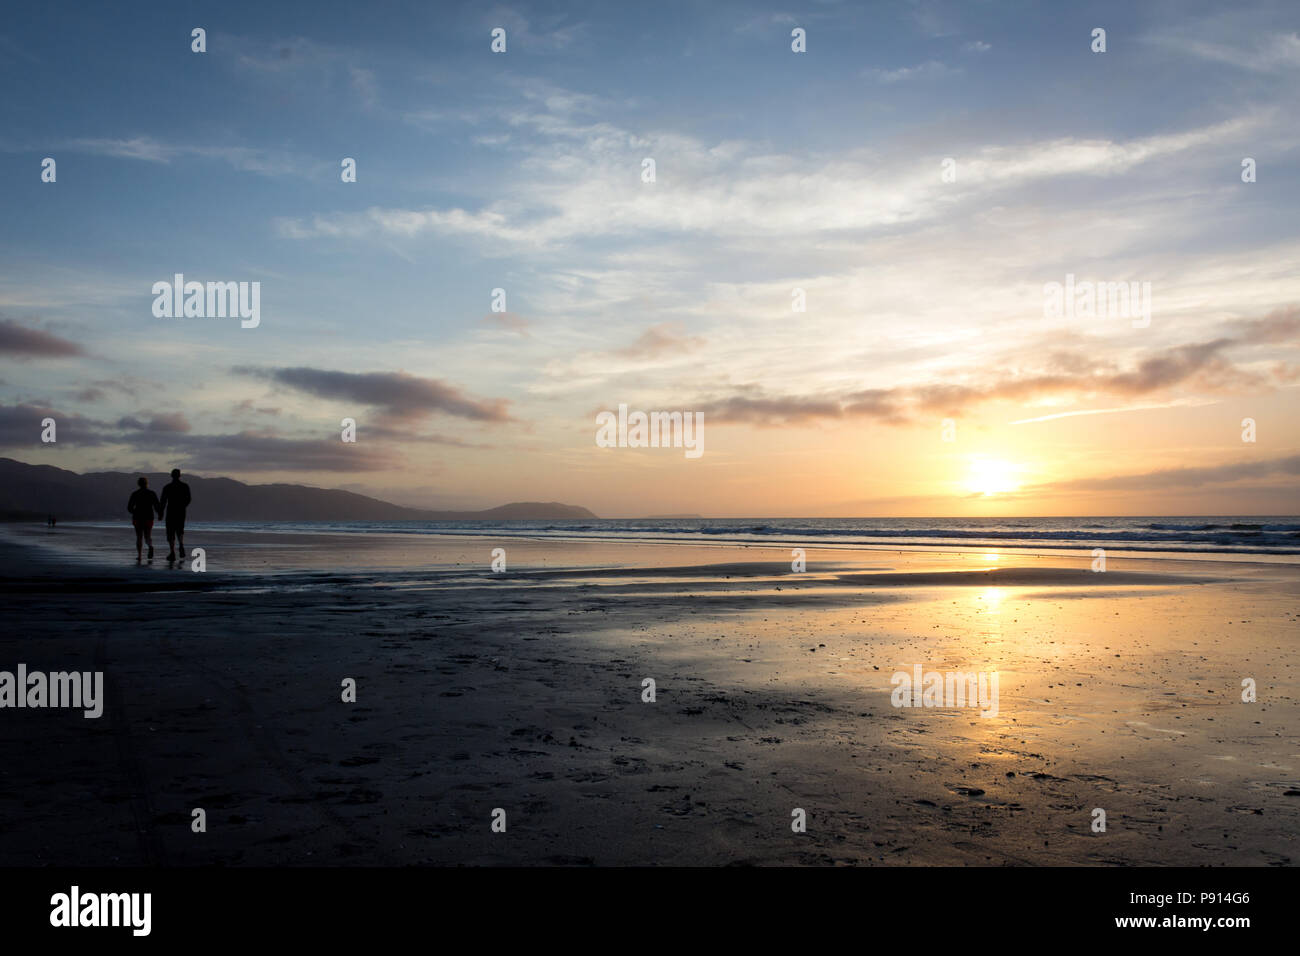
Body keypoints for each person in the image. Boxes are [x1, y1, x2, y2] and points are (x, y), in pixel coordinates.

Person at [159, 468, 192, 562]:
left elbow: (163, 501)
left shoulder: (167, 487)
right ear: (179, 475)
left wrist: (161, 513)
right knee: (180, 529)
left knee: (170, 532)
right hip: (181, 511)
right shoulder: (185, 486)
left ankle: (172, 552)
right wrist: (183, 506)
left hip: (171, 511)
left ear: (171, 475)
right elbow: (188, 499)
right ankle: (181, 544)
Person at [127, 476, 161, 561]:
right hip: (149, 517)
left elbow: (129, 507)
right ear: (147, 483)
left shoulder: (135, 494)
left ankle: (139, 556)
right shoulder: (152, 493)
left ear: (138, 484)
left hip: (138, 517)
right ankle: (150, 546)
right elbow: (157, 506)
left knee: (139, 536)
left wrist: (134, 512)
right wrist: (160, 514)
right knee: (147, 535)